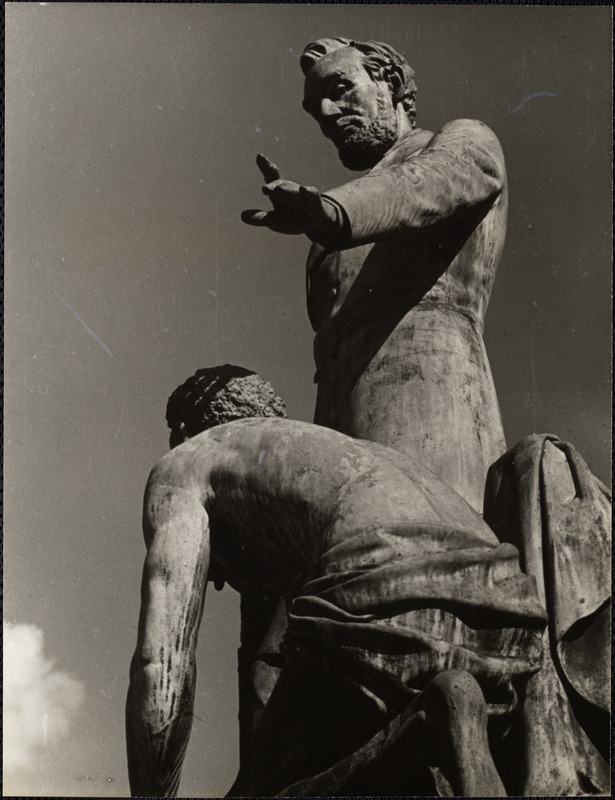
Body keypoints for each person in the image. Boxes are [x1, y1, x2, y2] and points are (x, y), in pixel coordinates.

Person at [125, 366, 547, 797]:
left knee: (267, 789)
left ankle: (433, 715)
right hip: (508, 611)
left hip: (383, 582)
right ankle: (432, 715)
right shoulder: (342, 454)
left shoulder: (186, 462)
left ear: (182, 430)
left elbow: (161, 664)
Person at [242, 38, 508, 513]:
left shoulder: (463, 140)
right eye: (313, 107)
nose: (325, 112)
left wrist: (330, 213)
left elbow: (425, 185)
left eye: (341, 88)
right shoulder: (329, 227)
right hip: (339, 435)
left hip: (431, 415)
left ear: (392, 84)